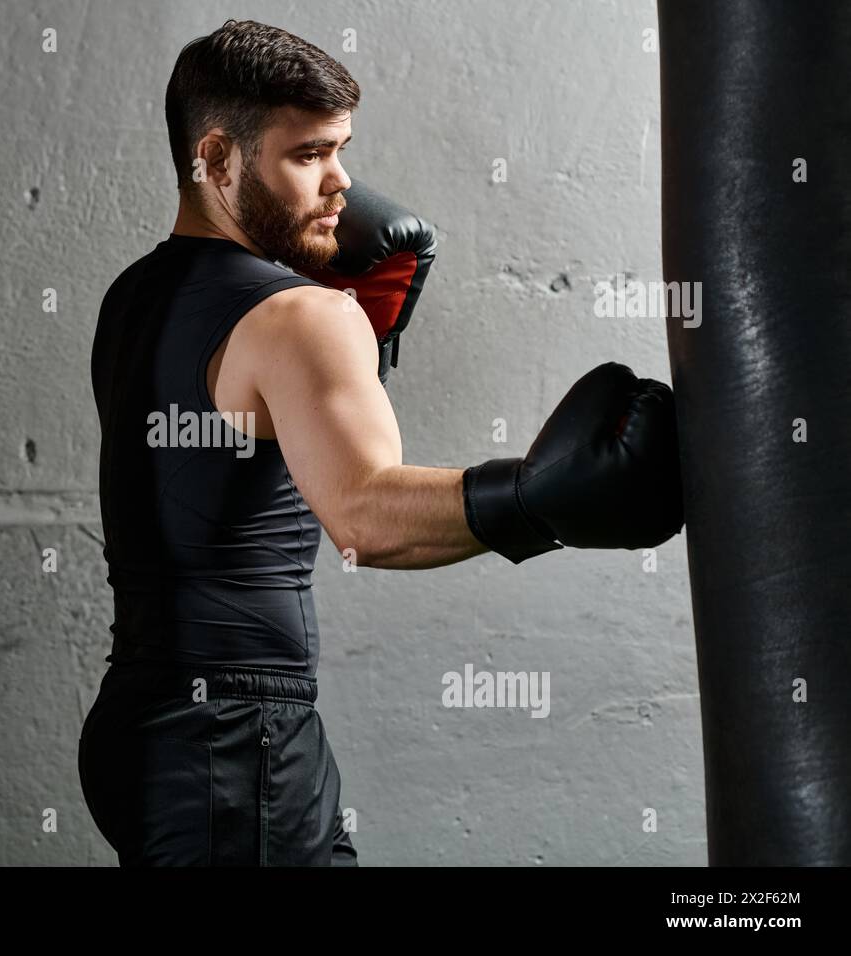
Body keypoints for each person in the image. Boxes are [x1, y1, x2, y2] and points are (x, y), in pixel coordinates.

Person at [80, 19, 683, 866]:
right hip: (238, 741)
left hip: (140, 725)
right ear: (214, 160)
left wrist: (367, 343)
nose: (342, 183)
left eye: (342, 149)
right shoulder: (303, 317)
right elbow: (366, 518)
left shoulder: (130, 298)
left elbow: (224, 467)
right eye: (309, 156)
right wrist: (539, 498)